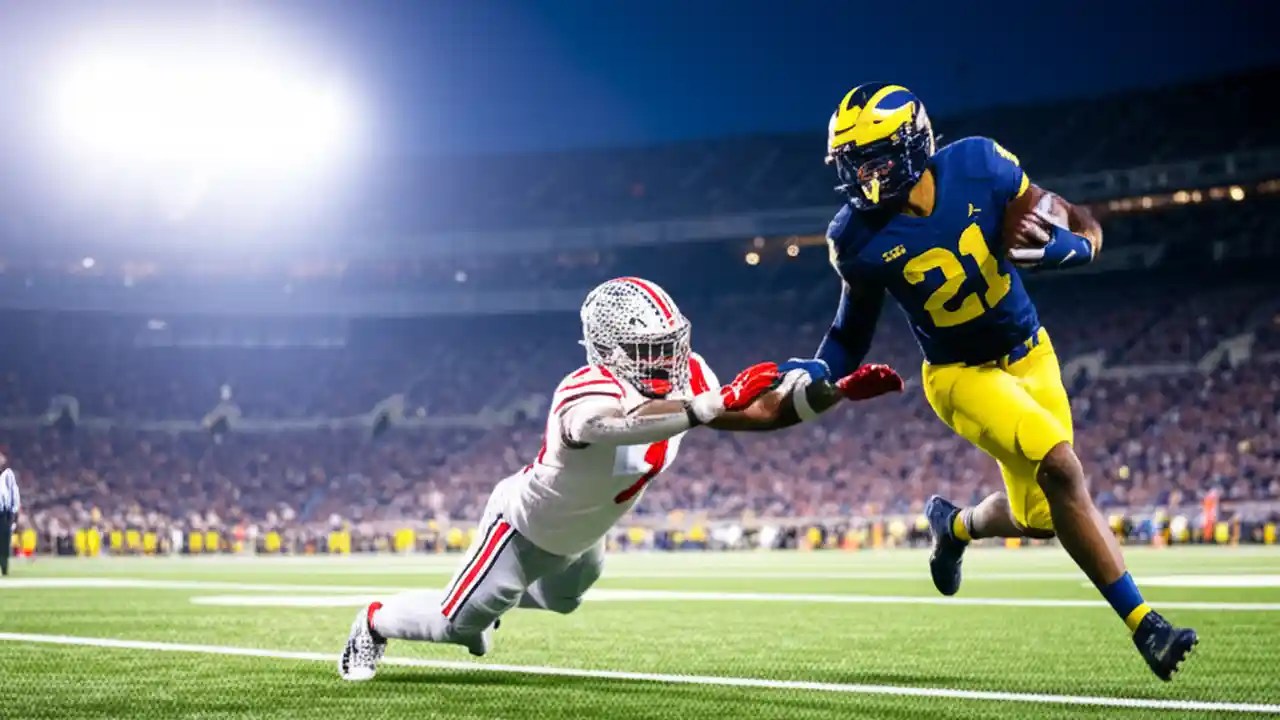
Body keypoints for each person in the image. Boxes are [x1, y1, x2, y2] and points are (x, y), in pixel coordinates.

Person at [809, 83, 1195, 680]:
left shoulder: (978, 164)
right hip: (959, 375)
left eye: (873, 160)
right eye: (852, 166)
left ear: (912, 146)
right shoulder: (854, 239)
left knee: (1044, 518)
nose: (862, 178)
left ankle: (955, 525)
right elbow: (847, 336)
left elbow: (1067, 211)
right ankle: (1146, 625)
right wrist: (814, 372)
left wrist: (1079, 245)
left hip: (1031, 352)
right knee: (1063, 466)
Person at [339, 276, 902, 680]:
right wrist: (706, 405)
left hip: (586, 536)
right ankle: (373, 623)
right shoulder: (585, 390)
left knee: (563, 603)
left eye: (669, 345)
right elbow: (619, 425)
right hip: (523, 528)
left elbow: (763, 413)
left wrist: (837, 391)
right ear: (608, 353)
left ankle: (491, 604)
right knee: (454, 624)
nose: (665, 360)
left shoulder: (690, 377)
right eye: (647, 351)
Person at [0, 451, 19, 576]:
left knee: (4, 540)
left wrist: (14, 510)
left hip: (3, 513)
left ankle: (4, 567)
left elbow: (14, 492)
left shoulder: (8, 474)